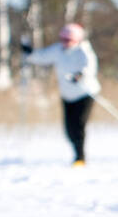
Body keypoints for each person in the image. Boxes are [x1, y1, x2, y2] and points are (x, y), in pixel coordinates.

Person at [20, 23, 100, 166]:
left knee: (79, 125)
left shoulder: (83, 51)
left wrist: (79, 75)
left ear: (77, 39)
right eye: (63, 39)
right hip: (67, 95)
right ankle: (76, 152)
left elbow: (89, 67)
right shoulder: (58, 50)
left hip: (85, 93)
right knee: (68, 129)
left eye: (69, 40)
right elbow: (42, 57)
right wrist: (29, 52)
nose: (65, 42)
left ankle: (80, 158)